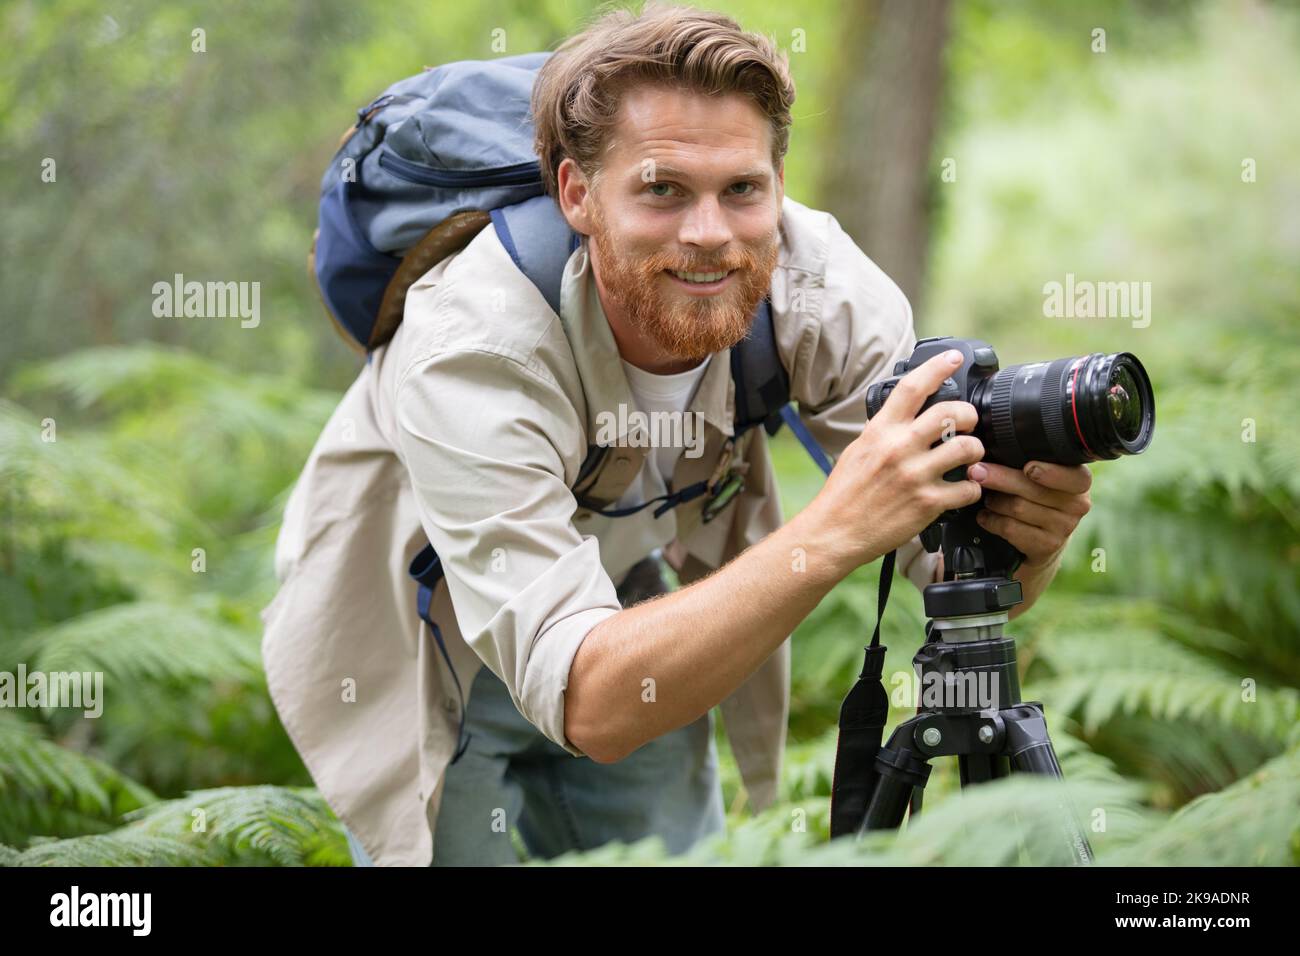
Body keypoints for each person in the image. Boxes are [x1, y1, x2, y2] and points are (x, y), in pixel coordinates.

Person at [262, 2, 1093, 867]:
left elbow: (950, 574)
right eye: (662, 189)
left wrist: (1018, 543)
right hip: (425, 625)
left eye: (743, 190)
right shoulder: (473, 346)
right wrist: (835, 532)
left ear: (778, 183)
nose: (710, 236)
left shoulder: (825, 292)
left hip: (624, 596)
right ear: (577, 194)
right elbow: (590, 700)